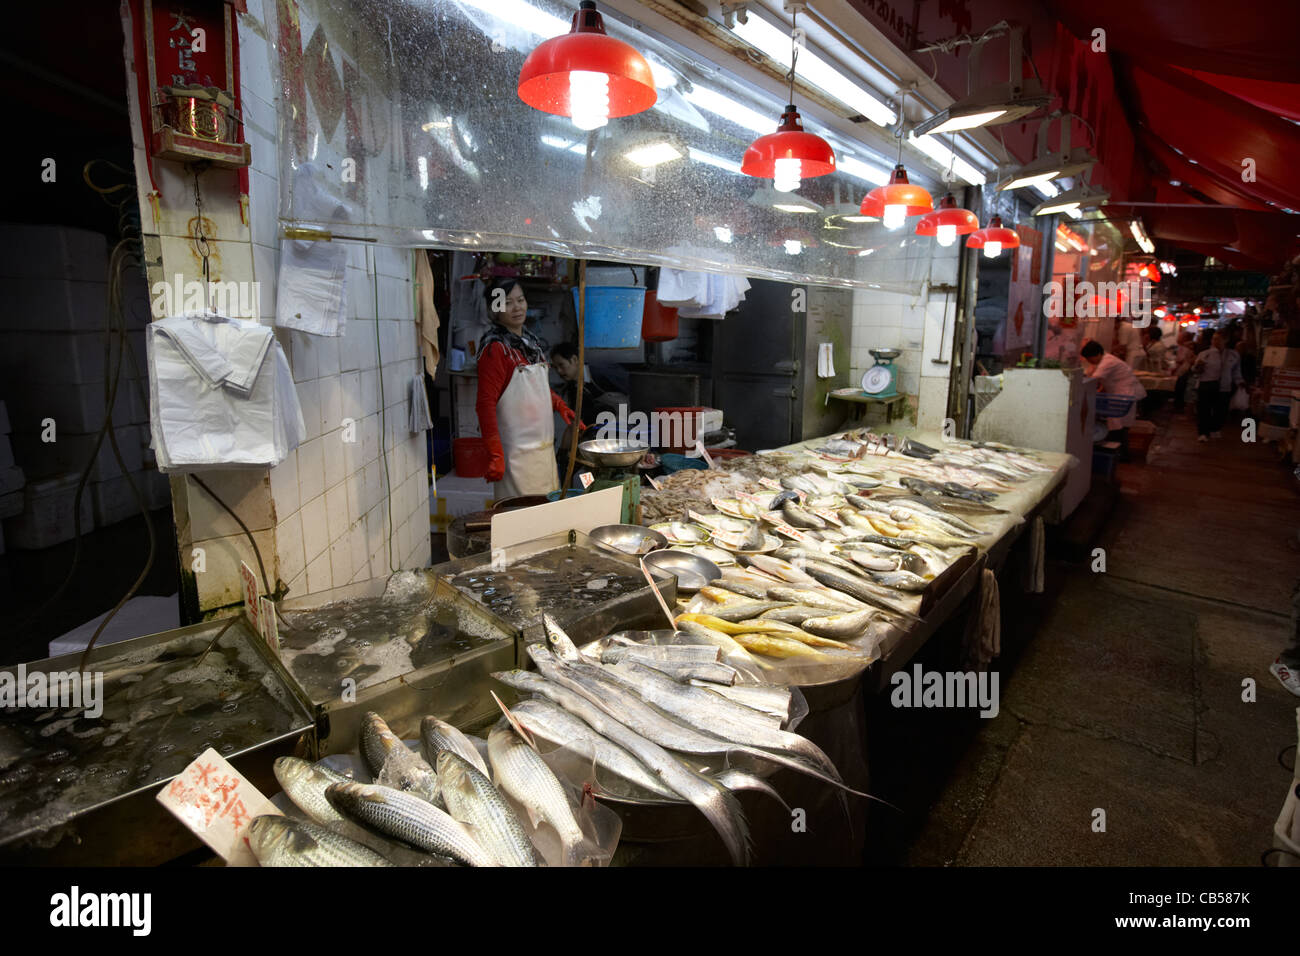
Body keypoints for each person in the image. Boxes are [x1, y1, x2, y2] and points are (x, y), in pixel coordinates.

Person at [475, 278, 576, 497]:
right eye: (507, 303)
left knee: (547, 518)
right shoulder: (495, 350)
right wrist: (495, 454)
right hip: (516, 458)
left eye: (520, 300)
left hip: (544, 452)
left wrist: (559, 405)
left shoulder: (531, 343)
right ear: (495, 310)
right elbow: (485, 404)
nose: (517, 307)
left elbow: (537, 388)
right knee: (521, 521)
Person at [1081, 339, 1146, 443]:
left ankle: (1120, 450)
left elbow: (1094, 379)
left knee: (1119, 423)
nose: (1089, 362)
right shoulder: (1102, 360)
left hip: (1125, 393)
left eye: (1090, 359)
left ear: (1097, 354)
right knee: (1118, 423)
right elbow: (1094, 377)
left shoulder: (1107, 362)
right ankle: (1120, 449)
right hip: (1120, 393)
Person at [1169, 331, 1196, 413]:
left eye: (1180, 336)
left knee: (1180, 388)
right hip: (1183, 370)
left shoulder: (1186, 347)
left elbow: (1181, 360)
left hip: (1184, 370)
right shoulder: (1184, 347)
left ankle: (1179, 407)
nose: (1178, 338)